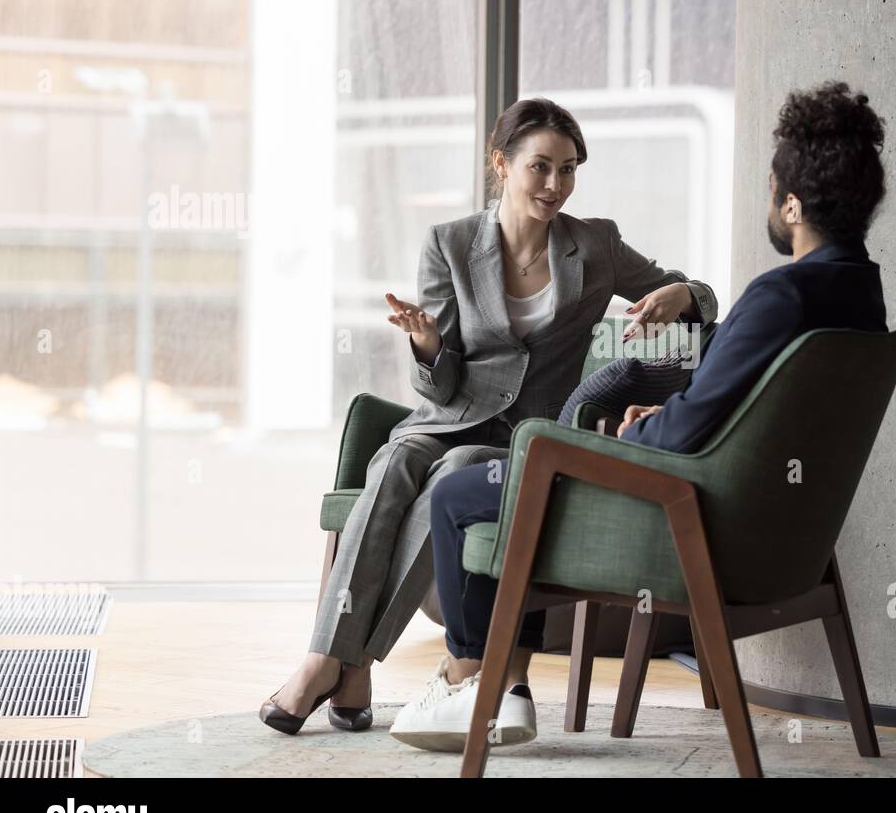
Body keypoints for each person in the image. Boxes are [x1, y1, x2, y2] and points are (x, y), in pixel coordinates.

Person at [389, 79, 891, 750]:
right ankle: (506, 689)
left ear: (793, 203)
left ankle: (464, 681)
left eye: (772, 186)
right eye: (542, 167)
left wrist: (643, 428)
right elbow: (757, 411)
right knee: (504, 475)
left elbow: (683, 430)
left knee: (460, 493)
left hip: (684, 517)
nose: (556, 184)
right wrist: (672, 412)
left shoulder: (779, 297)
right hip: (780, 537)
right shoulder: (860, 294)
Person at [259, 97, 719, 735]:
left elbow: (701, 302)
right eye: (540, 166)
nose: (555, 184)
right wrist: (427, 345)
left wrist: (685, 293)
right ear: (502, 164)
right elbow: (440, 387)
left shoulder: (596, 245)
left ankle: (346, 664)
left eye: (568, 169)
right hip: (450, 415)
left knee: (455, 472)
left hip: (528, 436)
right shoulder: (448, 244)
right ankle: (330, 659)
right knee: (393, 462)